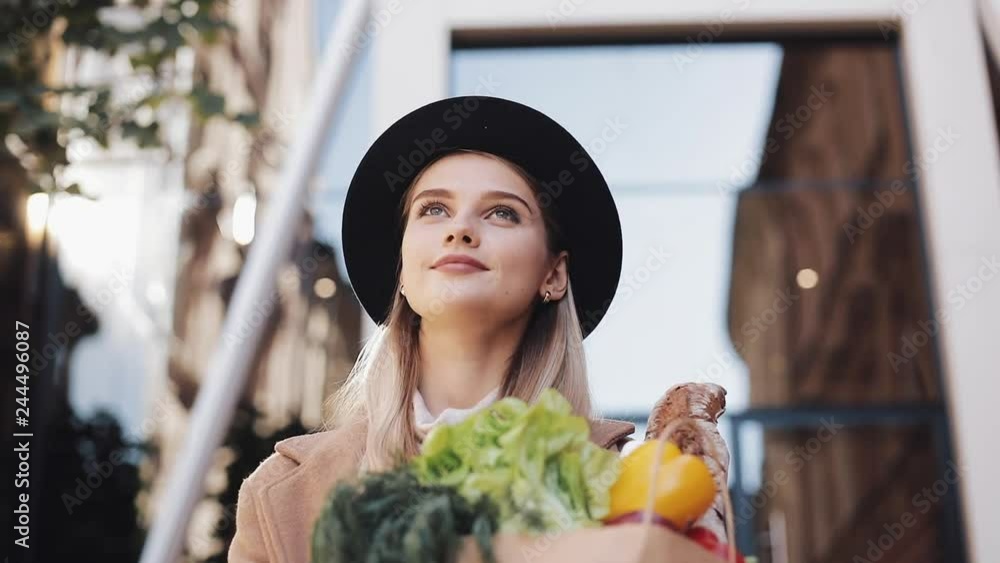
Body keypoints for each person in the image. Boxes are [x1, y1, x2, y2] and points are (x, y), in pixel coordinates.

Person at [228, 96, 638, 563]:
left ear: (554, 274)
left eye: (503, 212)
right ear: (402, 269)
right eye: (434, 210)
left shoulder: (630, 484)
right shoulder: (284, 494)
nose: (460, 229)